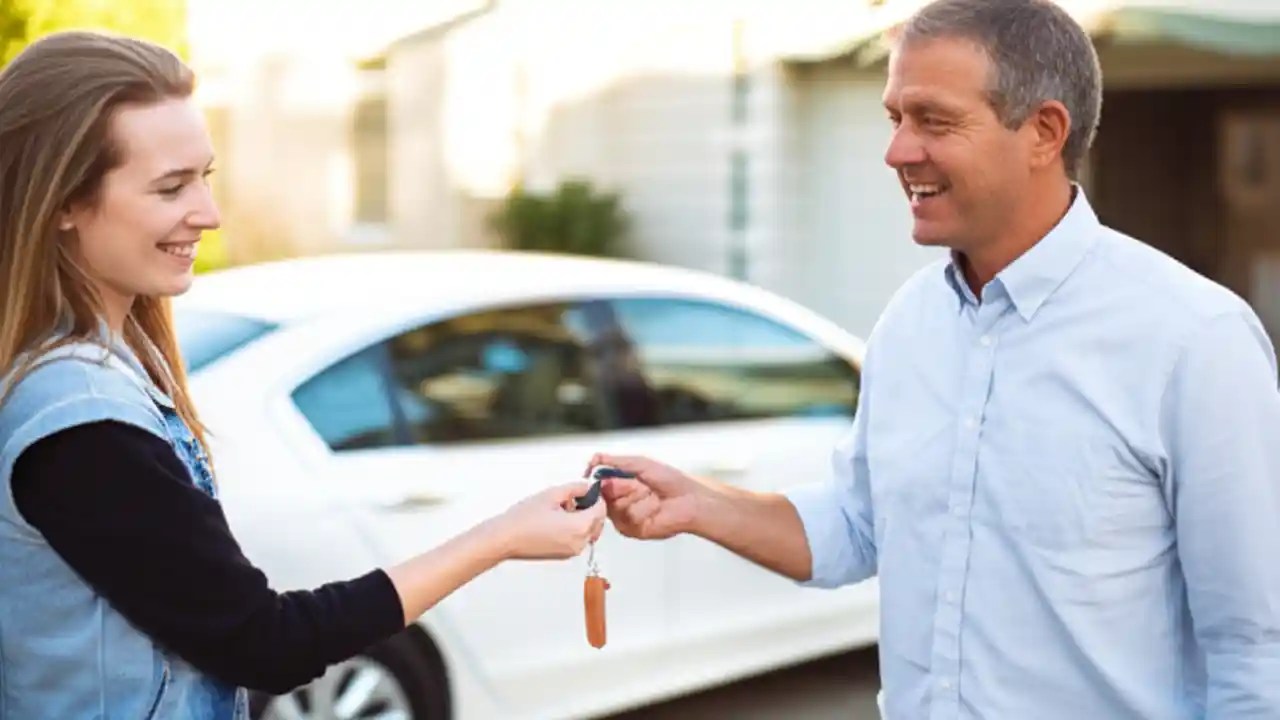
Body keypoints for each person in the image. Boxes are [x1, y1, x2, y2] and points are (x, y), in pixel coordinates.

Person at [589, 0, 1280, 717]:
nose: (897, 152)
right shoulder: (910, 325)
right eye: (895, 118)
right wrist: (699, 501)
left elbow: (1257, 647)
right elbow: (857, 527)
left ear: (1044, 132)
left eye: (934, 121)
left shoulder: (1195, 340)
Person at [0, 31, 605, 719]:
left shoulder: (97, 372)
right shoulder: (80, 422)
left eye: (205, 176)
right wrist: (500, 538)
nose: (208, 213)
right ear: (62, 205)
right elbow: (264, 644)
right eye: (171, 187)